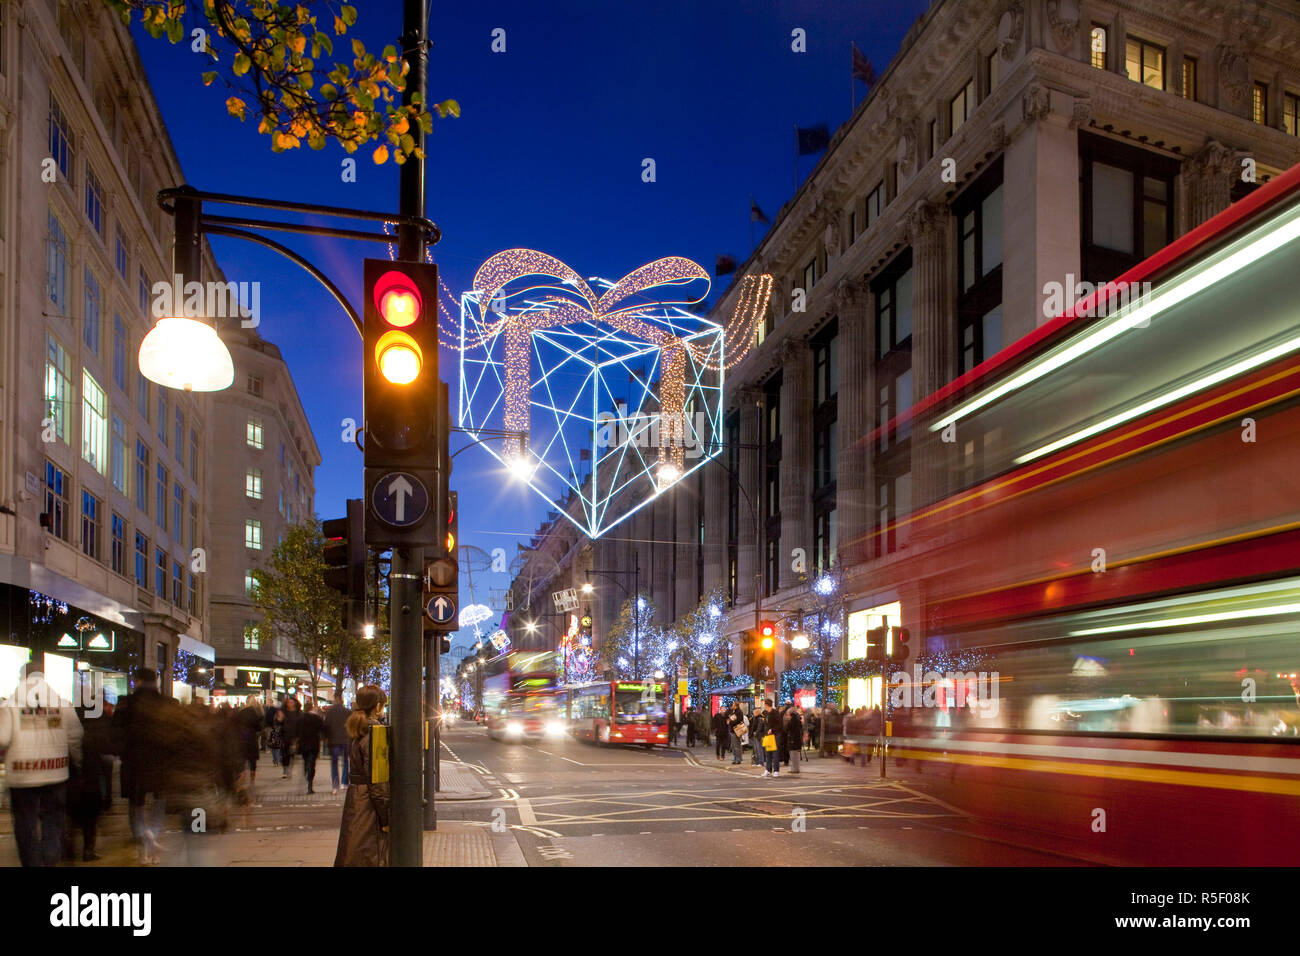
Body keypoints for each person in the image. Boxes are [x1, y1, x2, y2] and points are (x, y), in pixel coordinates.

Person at [0, 665, 83, 866]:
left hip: (22, 775)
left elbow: (2, 739)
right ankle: (50, 859)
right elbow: (75, 736)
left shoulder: (10, 706)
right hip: (56, 772)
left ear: (23, 677)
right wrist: (78, 762)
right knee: (53, 820)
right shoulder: (63, 704)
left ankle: (33, 863)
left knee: (25, 824)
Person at [113, 668, 167, 861]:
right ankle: (153, 834)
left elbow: (116, 733)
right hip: (160, 762)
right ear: (156, 681)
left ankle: (142, 840)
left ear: (137, 681)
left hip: (133, 761)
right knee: (160, 800)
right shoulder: (167, 704)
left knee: (136, 803)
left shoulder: (125, 703)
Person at [334, 685, 389, 867]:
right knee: (368, 854)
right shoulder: (376, 732)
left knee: (353, 850)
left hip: (356, 797)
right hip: (368, 803)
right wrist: (386, 817)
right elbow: (377, 782)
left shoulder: (358, 727)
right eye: (383, 706)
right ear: (377, 706)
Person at [67, 699, 114, 861]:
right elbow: (107, 751)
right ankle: (88, 850)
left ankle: (69, 847)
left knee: (71, 812)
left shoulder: (74, 720)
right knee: (91, 815)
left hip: (72, 774)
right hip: (92, 774)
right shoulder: (101, 723)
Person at [325, 691, 351, 794]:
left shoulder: (330, 712)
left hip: (334, 740)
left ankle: (335, 785)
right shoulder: (348, 712)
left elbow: (326, 726)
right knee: (345, 762)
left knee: (334, 763)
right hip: (346, 739)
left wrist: (327, 737)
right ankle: (344, 783)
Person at [298, 699, 325, 793]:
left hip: (303, 743)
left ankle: (306, 772)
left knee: (306, 761)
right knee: (312, 763)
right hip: (314, 744)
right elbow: (323, 729)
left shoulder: (300, 718)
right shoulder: (316, 718)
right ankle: (310, 784)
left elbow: (296, 731)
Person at [279, 696, 303, 778]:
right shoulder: (283, 712)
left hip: (295, 737)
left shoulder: (299, 713)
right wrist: (279, 719)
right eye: (288, 702)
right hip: (285, 736)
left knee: (292, 754)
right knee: (284, 754)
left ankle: (289, 769)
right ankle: (285, 770)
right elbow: (278, 724)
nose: (289, 704)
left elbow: (300, 725)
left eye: (291, 702)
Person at [761, 699, 782, 777]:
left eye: (763, 704)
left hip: (775, 735)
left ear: (766, 704)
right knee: (768, 753)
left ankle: (776, 770)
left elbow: (780, 725)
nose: (763, 705)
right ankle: (768, 770)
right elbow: (765, 726)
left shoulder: (775, 713)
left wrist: (772, 730)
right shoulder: (766, 713)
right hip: (767, 736)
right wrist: (764, 735)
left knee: (775, 753)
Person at [787, 705, 804, 775]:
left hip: (794, 739)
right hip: (797, 739)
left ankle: (794, 769)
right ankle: (795, 768)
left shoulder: (793, 720)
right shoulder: (797, 718)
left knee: (794, 754)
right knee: (796, 754)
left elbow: (790, 728)